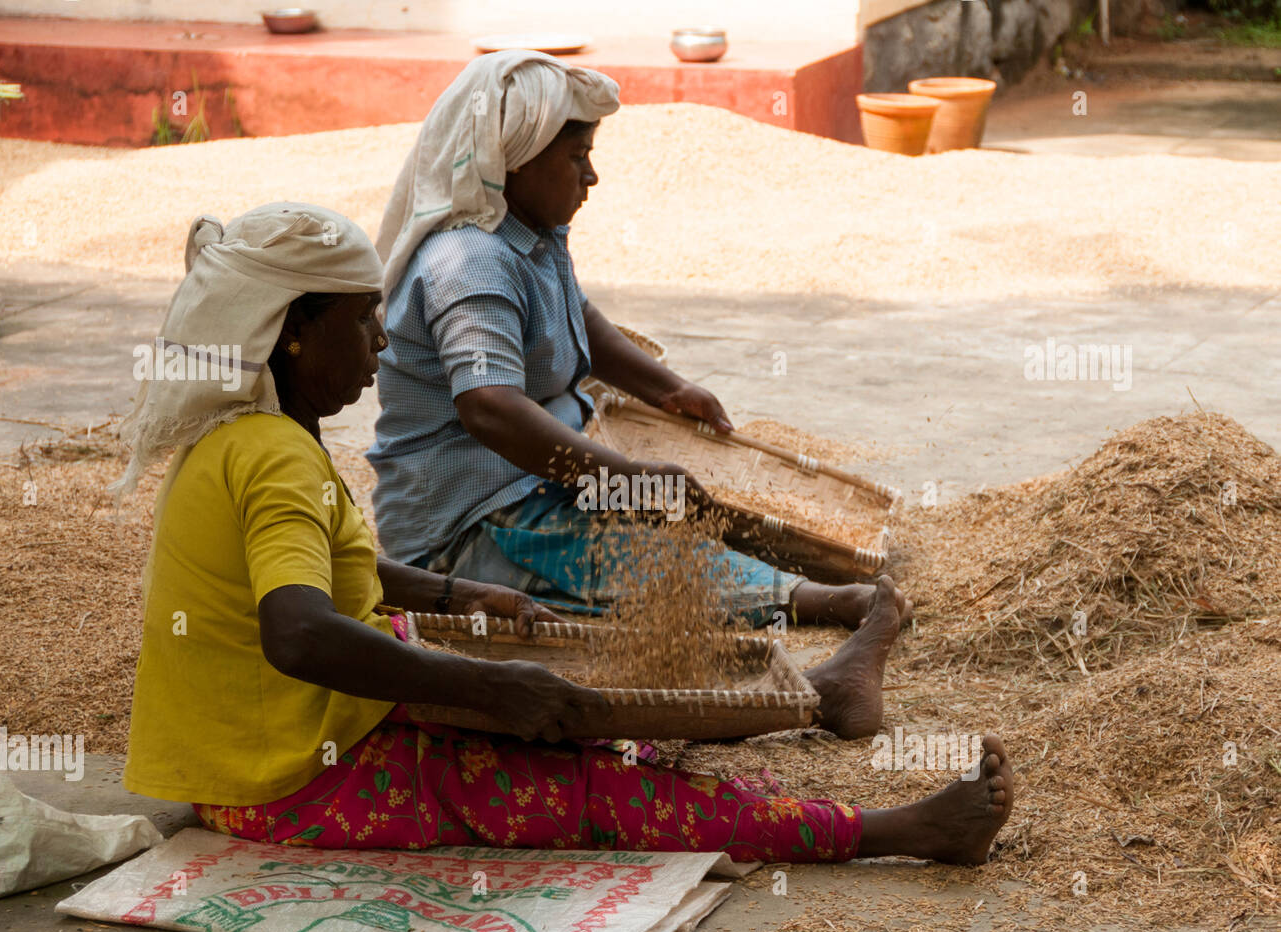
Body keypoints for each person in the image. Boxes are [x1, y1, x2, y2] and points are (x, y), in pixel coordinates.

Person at [113, 202, 1012, 866]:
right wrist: (484, 685)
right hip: (288, 781)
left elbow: (338, 565)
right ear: (295, 334)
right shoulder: (272, 454)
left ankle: (802, 695)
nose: (382, 343)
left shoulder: (253, 436)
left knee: (595, 712)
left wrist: (454, 596)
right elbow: (298, 630)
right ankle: (891, 833)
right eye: (360, 321)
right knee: (597, 783)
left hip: (279, 752)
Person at [367, 49, 913, 635]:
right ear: (514, 162)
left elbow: (577, 314)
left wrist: (669, 388)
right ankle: (830, 603)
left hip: (537, 486)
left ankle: (795, 582)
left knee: (677, 513)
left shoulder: (530, 235)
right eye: (577, 158)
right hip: (469, 524)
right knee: (656, 559)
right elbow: (490, 408)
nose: (591, 176)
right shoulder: (470, 264)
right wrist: (627, 480)